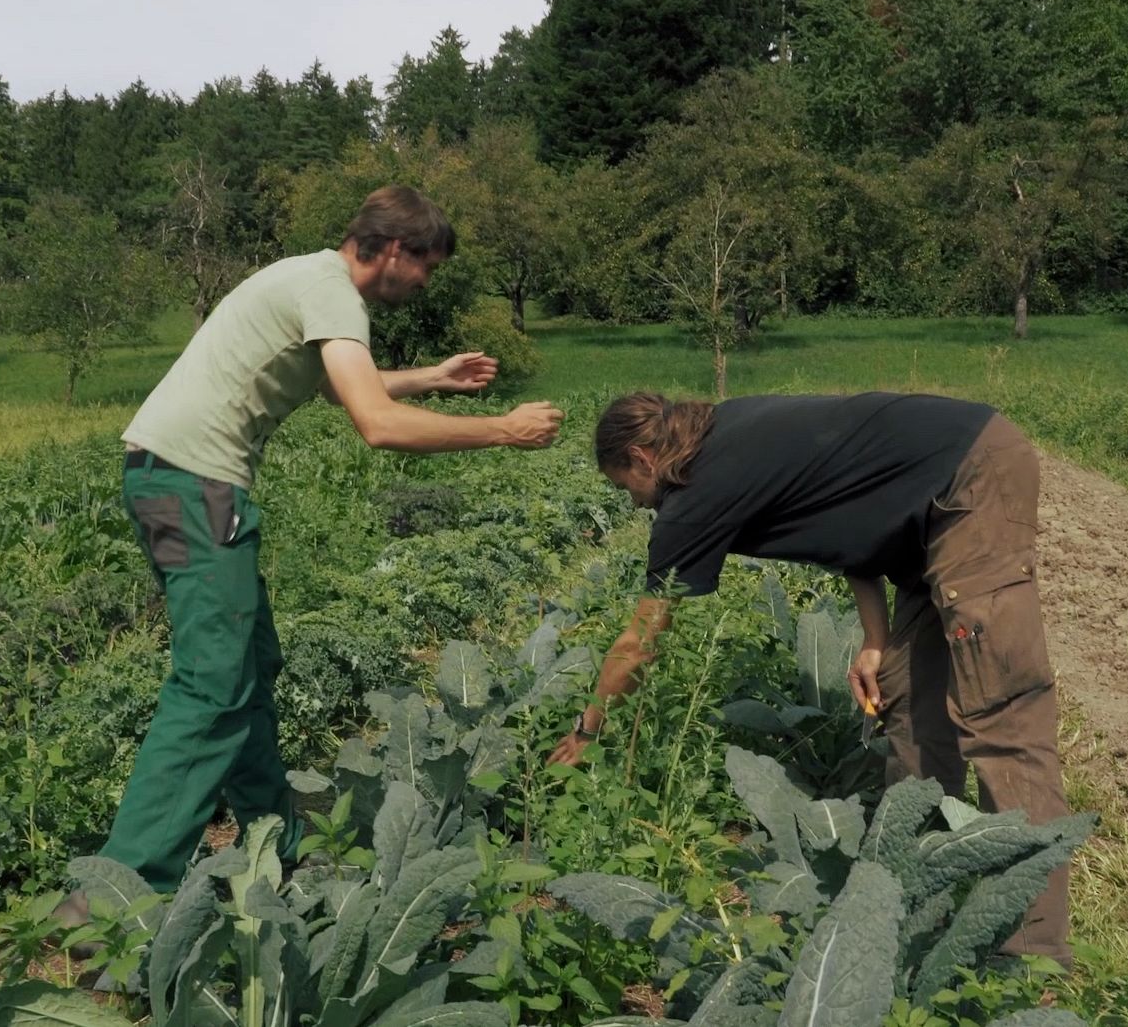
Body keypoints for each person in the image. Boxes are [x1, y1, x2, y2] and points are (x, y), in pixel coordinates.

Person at [69, 185, 564, 910]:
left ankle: (275, 847)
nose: (426, 281)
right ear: (395, 250)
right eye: (426, 264)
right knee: (212, 681)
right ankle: (118, 894)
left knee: (246, 665)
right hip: (196, 486)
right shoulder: (333, 291)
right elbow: (378, 424)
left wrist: (433, 376)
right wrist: (502, 428)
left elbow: (341, 388)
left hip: (167, 477)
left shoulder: (308, 278)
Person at [547, 390, 1071, 966]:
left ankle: (1032, 954)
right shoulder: (722, 434)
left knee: (1000, 716)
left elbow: (640, 641)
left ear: (644, 459)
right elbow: (843, 516)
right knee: (909, 701)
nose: (636, 504)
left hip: (971, 476)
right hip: (930, 501)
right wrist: (874, 640)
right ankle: (917, 893)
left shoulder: (697, 493)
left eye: (627, 488)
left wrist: (588, 730)